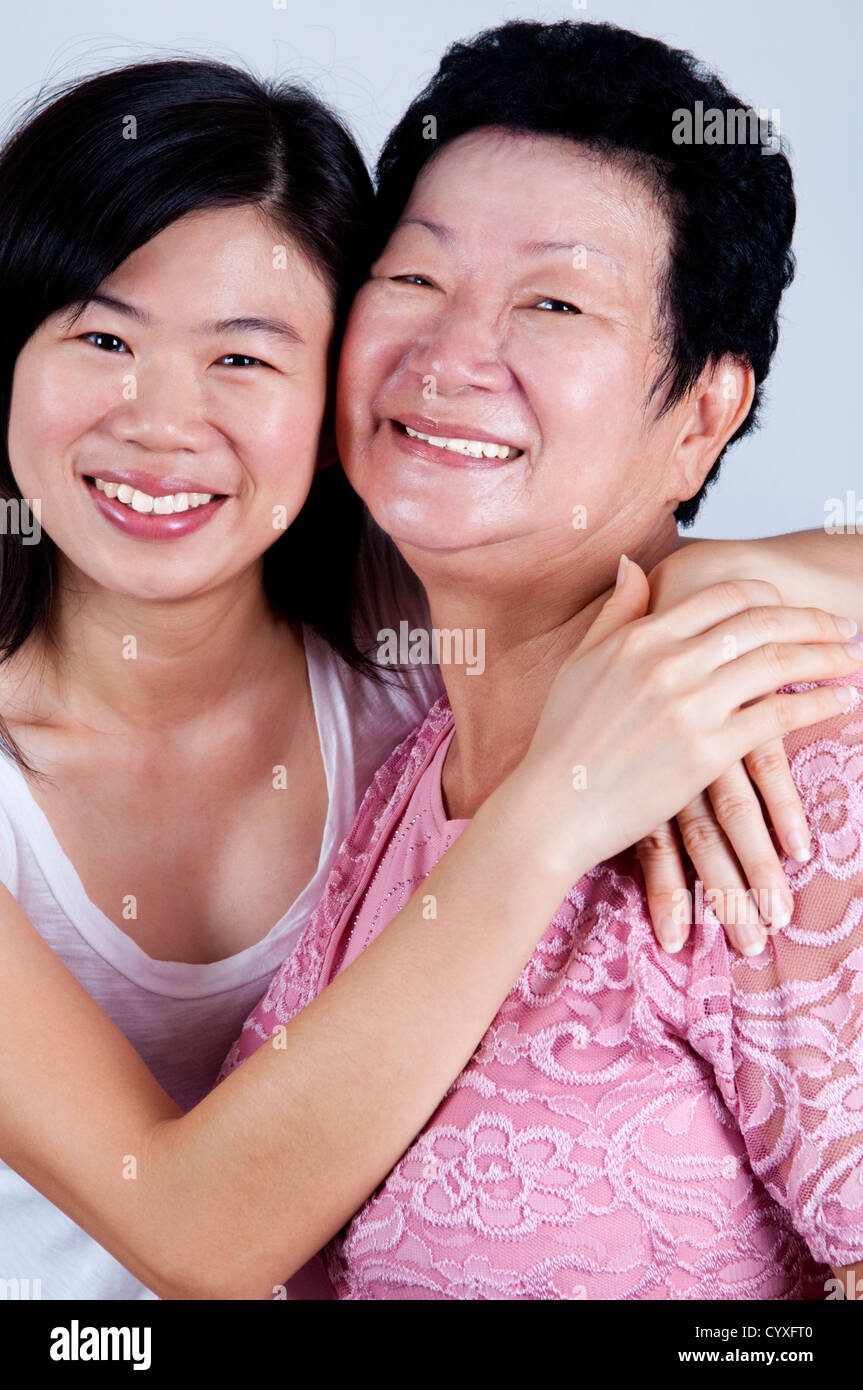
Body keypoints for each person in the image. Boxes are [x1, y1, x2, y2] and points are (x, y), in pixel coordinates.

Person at [0, 37, 860, 1303]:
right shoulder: (431, 737)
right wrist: (558, 802)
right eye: (414, 278)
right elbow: (203, 1233)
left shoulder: (768, 769)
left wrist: (737, 579)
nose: (164, 423)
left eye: (244, 354)